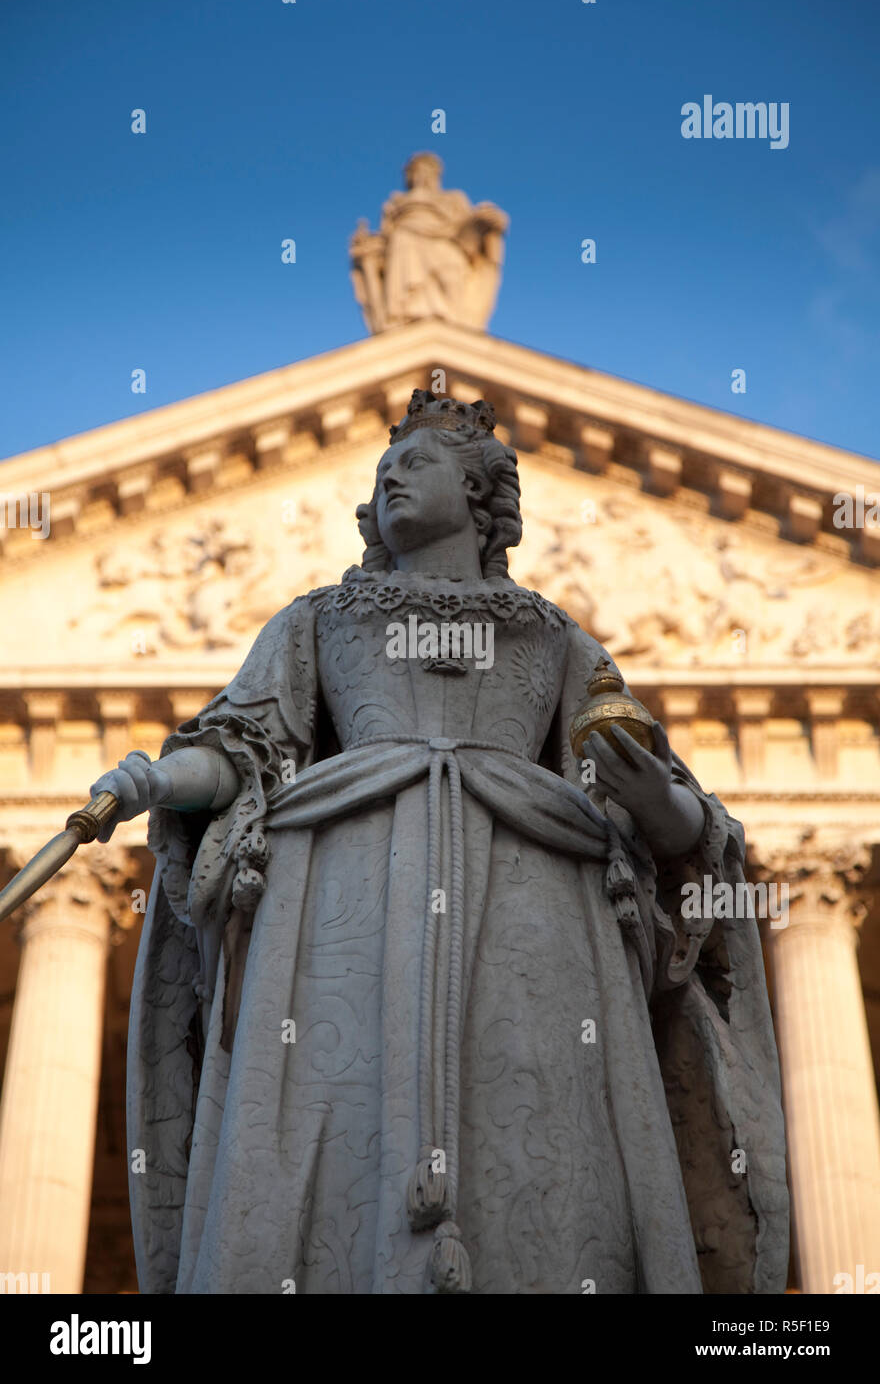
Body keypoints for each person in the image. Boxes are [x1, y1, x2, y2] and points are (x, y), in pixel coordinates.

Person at [96, 390, 788, 1294]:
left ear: (479, 494)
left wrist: (659, 801)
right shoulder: (317, 620)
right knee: (335, 1130)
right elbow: (240, 750)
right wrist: (158, 779)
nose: (389, 477)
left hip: (534, 908)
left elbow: (677, 815)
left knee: (537, 1138)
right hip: (342, 904)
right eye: (382, 470)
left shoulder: (556, 637)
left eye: (414, 465)